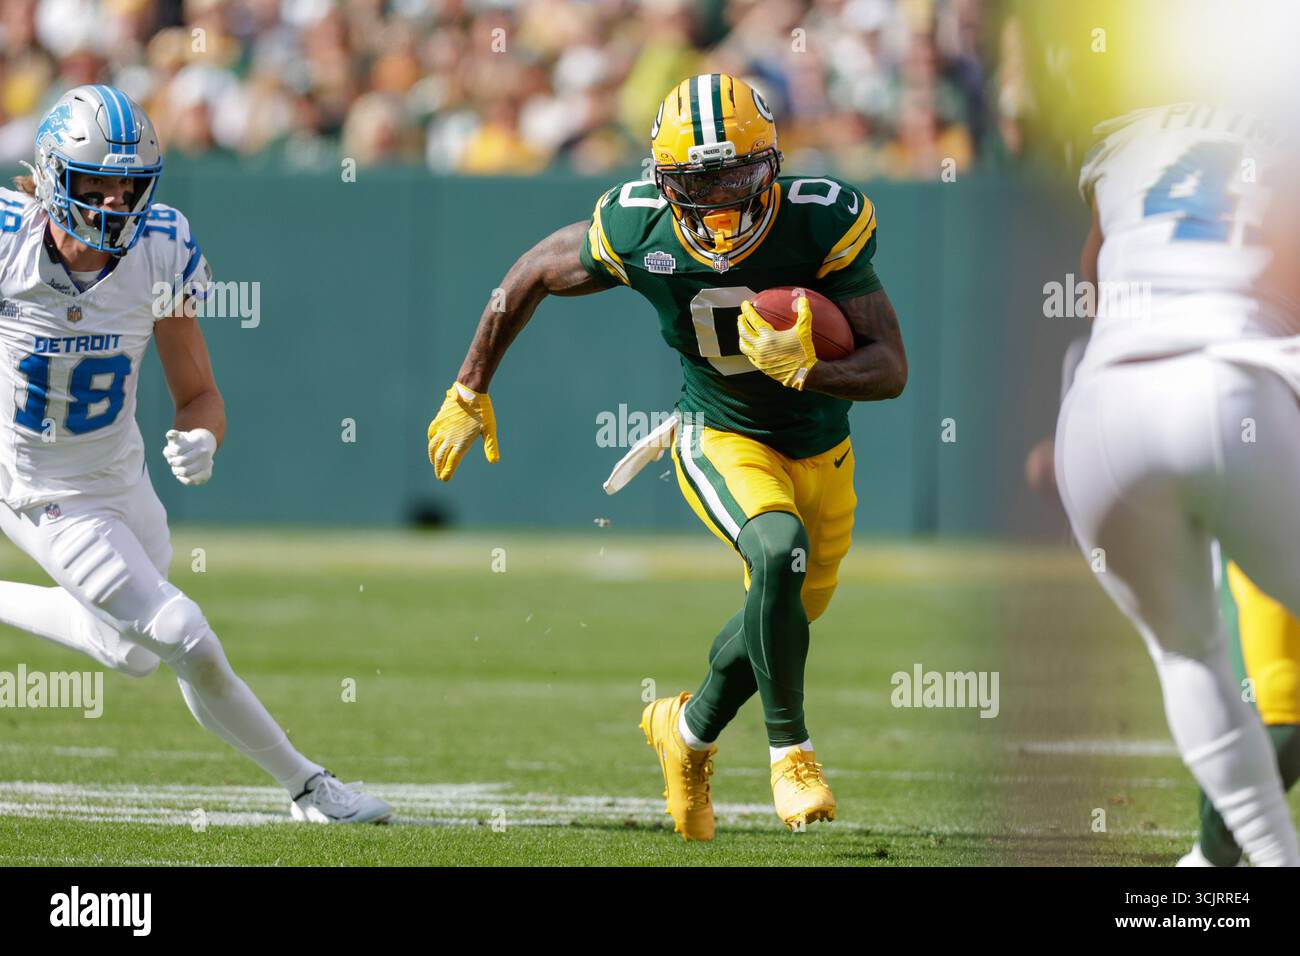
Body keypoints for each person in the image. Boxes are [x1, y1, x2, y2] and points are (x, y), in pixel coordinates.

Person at [427, 73, 907, 840]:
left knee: (784, 610)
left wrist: (810, 371)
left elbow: (891, 366)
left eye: (732, 175)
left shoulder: (821, 222)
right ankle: (793, 754)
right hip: (719, 435)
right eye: (696, 181)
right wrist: (468, 386)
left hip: (823, 447)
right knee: (777, 551)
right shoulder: (638, 226)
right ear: (663, 181)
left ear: (770, 164)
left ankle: (684, 735)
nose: (717, 200)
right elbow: (530, 276)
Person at [0, 85, 391, 825]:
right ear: (54, 176)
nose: (116, 203)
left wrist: (204, 438)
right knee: (184, 635)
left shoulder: (159, 249)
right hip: (42, 494)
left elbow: (198, 394)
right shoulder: (9, 240)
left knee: (132, 652)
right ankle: (310, 788)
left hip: (121, 476)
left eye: (130, 185)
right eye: (97, 185)